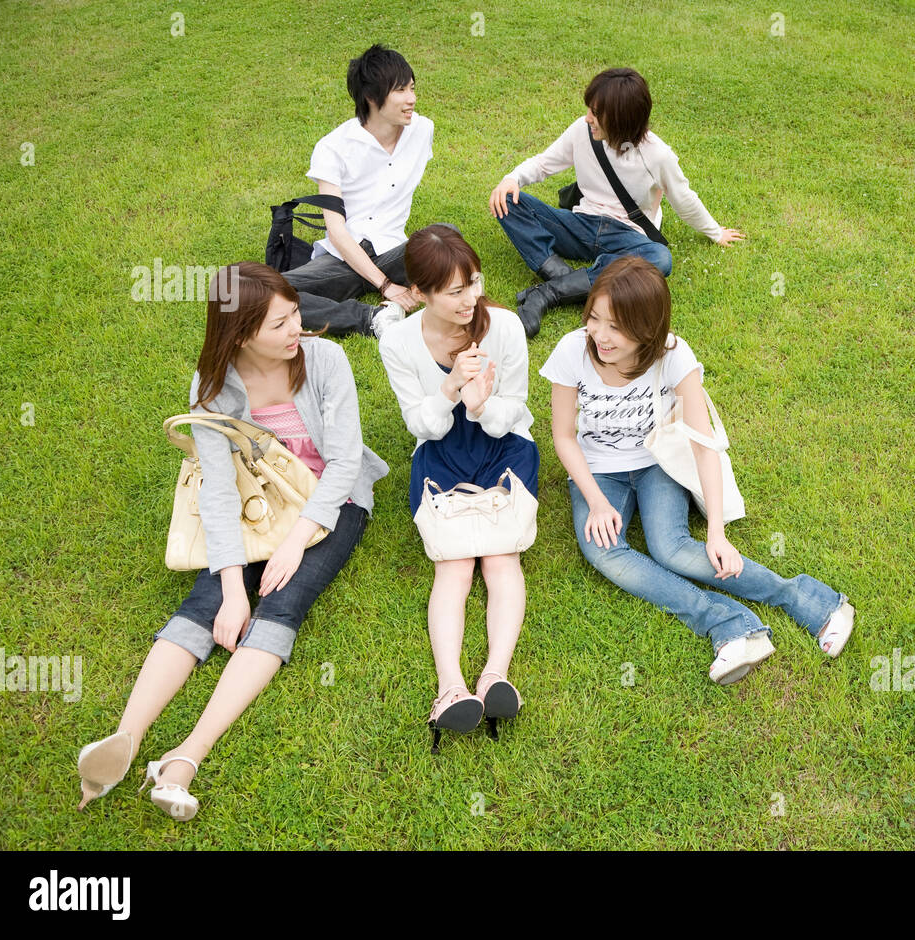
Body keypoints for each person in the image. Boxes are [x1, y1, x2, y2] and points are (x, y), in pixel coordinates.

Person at [75, 263, 388, 820]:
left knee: (284, 600)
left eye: (296, 313)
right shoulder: (212, 386)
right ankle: (124, 738)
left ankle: (185, 759)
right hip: (256, 501)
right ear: (241, 334)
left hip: (331, 502)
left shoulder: (324, 360)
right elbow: (217, 491)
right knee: (207, 601)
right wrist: (231, 582)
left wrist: (294, 543)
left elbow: (343, 462)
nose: (298, 328)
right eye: (281, 323)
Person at [540, 257, 855, 685]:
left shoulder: (672, 354)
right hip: (598, 472)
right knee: (603, 550)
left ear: (647, 328)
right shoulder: (572, 351)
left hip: (657, 463)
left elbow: (704, 445)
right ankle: (729, 626)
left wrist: (717, 532)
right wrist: (595, 501)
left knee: (670, 548)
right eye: (594, 318)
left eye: (616, 326)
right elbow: (563, 436)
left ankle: (814, 603)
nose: (600, 335)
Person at [378, 226, 539, 749]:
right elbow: (420, 425)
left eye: (473, 282)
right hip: (441, 451)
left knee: (500, 556)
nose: (471, 299)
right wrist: (449, 390)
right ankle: (450, 689)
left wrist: (481, 404)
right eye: (454, 291)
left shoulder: (506, 328)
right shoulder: (400, 341)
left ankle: (495, 675)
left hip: (503, 445)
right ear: (420, 293)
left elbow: (514, 410)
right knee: (452, 563)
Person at [489, 67, 745, 338]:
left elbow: (684, 199)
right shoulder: (582, 131)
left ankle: (548, 293)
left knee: (659, 258)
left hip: (627, 236)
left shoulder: (658, 156)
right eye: (589, 109)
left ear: (622, 118)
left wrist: (715, 232)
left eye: (596, 113)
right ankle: (566, 278)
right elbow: (544, 163)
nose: (588, 118)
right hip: (582, 223)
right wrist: (512, 177)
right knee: (506, 199)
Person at [282, 44, 433, 339]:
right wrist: (386, 285)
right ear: (371, 96)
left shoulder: (422, 130)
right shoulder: (333, 148)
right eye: (400, 91)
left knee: (445, 237)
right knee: (253, 290)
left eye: (412, 88)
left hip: (392, 251)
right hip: (342, 256)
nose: (411, 99)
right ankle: (371, 317)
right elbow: (337, 231)